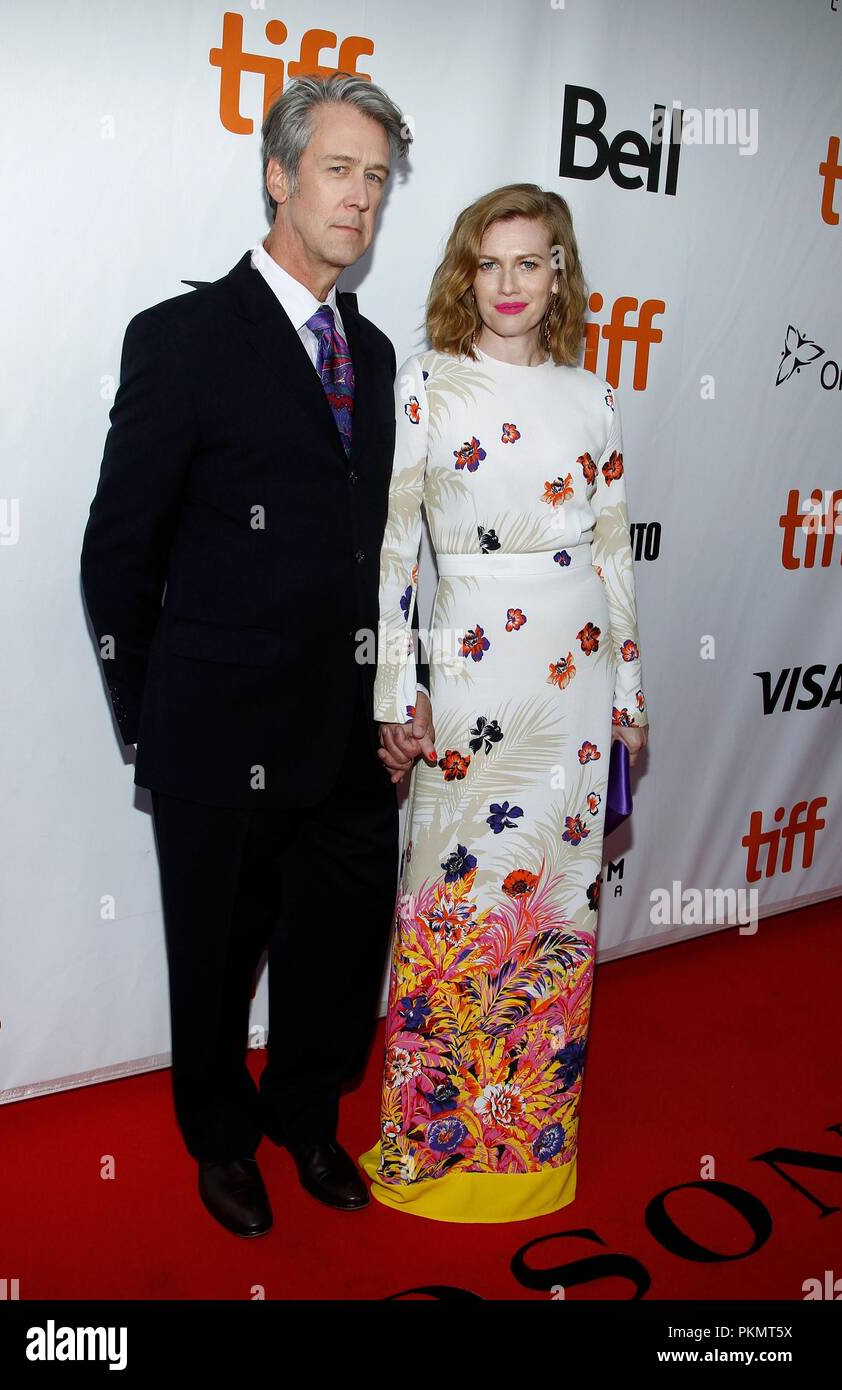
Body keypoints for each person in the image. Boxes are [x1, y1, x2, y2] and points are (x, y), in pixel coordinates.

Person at [79, 73, 433, 1238]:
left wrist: (391, 688)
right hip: (215, 735)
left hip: (344, 735)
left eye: (375, 178)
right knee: (217, 962)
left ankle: (306, 1120)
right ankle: (221, 1142)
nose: (358, 197)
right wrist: (159, 723)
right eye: (337, 169)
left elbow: (379, 550)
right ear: (278, 175)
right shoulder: (181, 340)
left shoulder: (375, 357)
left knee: (337, 952)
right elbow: (116, 554)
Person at [357, 183, 650, 1223]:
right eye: (491, 263)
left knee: (556, 899)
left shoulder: (592, 395)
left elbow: (613, 554)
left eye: (531, 262)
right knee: (453, 898)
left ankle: (529, 1149)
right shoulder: (427, 385)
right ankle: (431, 1148)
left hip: (572, 677)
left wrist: (627, 691)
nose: (511, 283)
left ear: (558, 272)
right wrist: (400, 689)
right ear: (464, 274)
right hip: (474, 666)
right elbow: (396, 552)